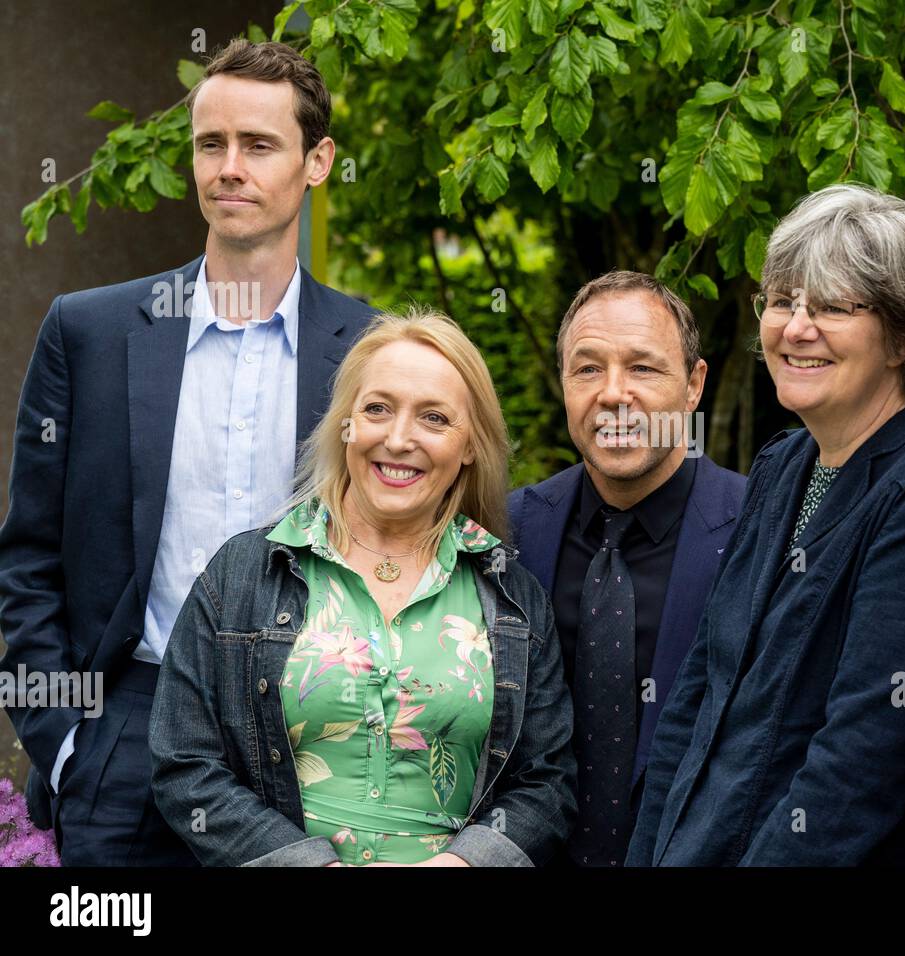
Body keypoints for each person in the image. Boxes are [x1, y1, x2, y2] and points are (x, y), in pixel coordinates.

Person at [0, 39, 374, 865]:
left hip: (311, 735)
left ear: (318, 162)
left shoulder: (370, 350)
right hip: (126, 729)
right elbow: (28, 557)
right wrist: (65, 744)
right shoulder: (88, 333)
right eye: (212, 143)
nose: (229, 168)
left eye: (259, 145)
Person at [626, 185, 905, 866]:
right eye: (783, 301)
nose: (794, 328)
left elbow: (863, 764)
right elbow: (696, 697)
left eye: (831, 307)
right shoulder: (783, 465)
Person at [149, 309, 576, 866]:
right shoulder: (243, 573)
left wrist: (462, 864)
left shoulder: (511, 594)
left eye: (434, 418)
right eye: (377, 409)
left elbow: (547, 784)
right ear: (346, 424)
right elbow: (185, 764)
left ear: (471, 445)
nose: (398, 439)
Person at [509, 271, 746, 867]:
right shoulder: (510, 532)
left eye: (643, 368)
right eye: (588, 369)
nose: (614, 393)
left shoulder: (758, 530)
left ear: (694, 385)